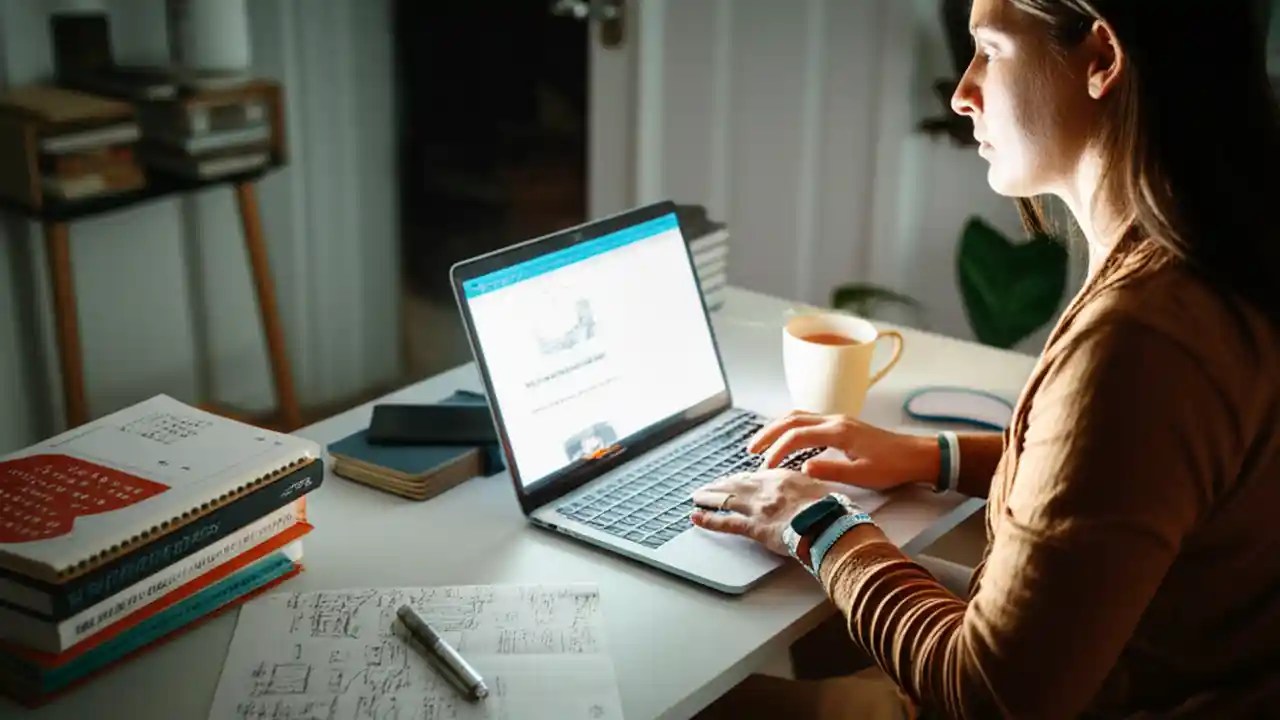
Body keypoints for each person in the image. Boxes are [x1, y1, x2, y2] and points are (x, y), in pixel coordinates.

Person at [692, 1, 1280, 718]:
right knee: (783, 616)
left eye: (990, 51)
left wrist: (819, 524)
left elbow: (992, 697)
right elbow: (1121, 486)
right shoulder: (1209, 264)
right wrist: (926, 456)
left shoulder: (1147, 341)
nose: (962, 91)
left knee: (695, 699)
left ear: (1101, 59)